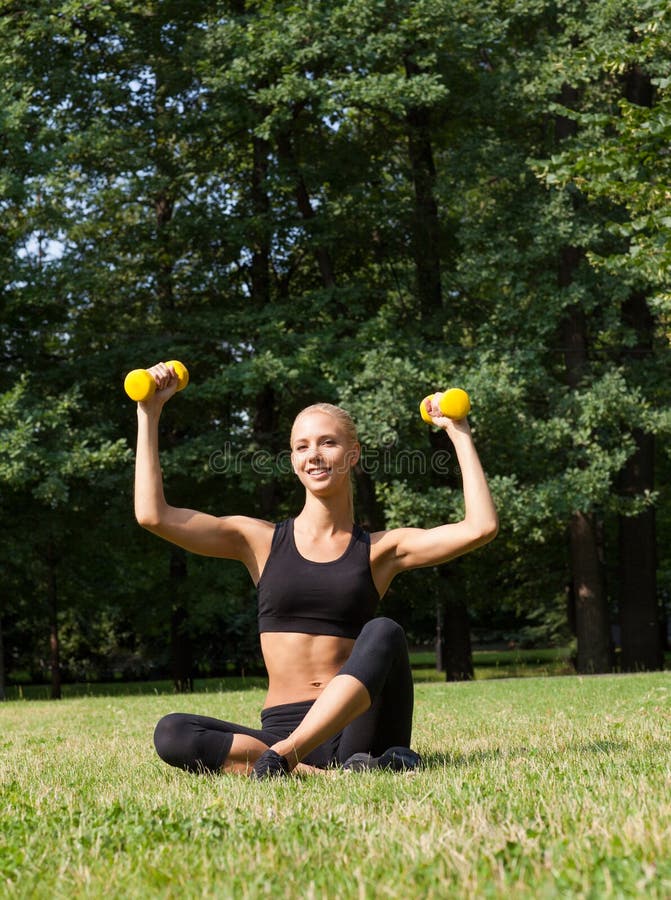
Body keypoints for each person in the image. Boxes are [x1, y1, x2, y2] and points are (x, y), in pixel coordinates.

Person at [135, 363, 498, 778]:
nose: (315, 455)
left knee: (384, 631)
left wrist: (458, 431)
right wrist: (149, 411)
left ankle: (294, 759)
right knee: (173, 732)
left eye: (328, 442)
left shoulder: (381, 550)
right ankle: (330, 772)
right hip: (279, 732)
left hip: (355, 728)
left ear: (353, 454)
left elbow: (481, 527)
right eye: (302, 446)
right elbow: (153, 516)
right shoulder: (260, 541)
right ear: (292, 461)